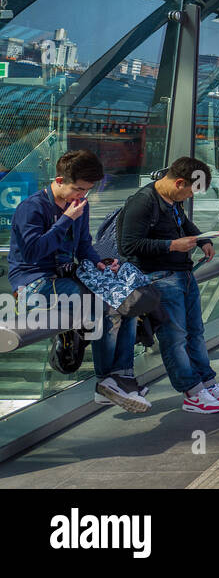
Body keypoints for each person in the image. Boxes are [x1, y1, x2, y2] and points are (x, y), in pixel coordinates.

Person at [8, 150, 147, 414]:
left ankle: (122, 376)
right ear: (59, 180)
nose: (81, 196)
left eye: (87, 190)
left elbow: (84, 247)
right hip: (34, 283)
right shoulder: (32, 208)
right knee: (102, 304)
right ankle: (107, 380)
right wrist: (66, 220)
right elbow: (33, 252)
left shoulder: (80, 206)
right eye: (78, 189)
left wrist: (100, 262)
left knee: (128, 303)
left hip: (66, 278)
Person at [117, 156, 219, 414]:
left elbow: (183, 223)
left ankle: (207, 382)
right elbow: (128, 246)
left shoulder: (172, 200)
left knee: (195, 332)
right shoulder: (143, 202)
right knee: (175, 337)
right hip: (160, 277)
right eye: (190, 192)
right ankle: (192, 392)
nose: (189, 198)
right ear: (180, 182)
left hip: (182, 274)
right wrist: (171, 245)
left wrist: (200, 240)